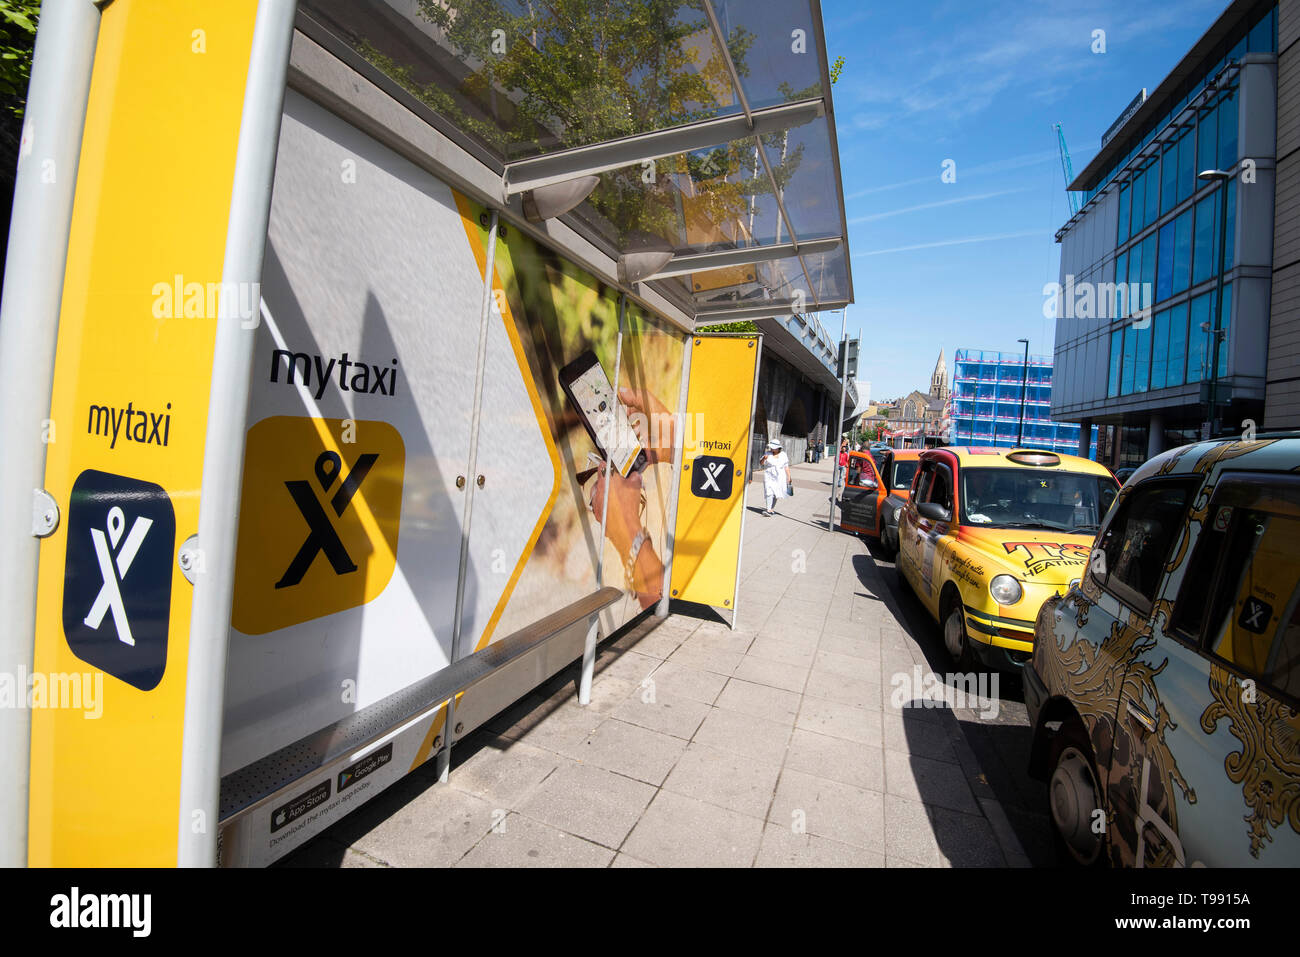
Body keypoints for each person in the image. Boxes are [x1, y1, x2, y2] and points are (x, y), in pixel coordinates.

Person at [759, 439, 790, 516]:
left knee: (776, 493)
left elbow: (786, 467)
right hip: (769, 475)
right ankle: (768, 510)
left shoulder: (783, 455)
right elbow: (761, 463)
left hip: (780, 476)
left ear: (778, 448)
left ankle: (771, 509)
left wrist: (789, 477)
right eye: (771, 447)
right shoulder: (767, 454)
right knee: (768, 491)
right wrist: (764, 458)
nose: (772, 449)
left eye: (774, 448)